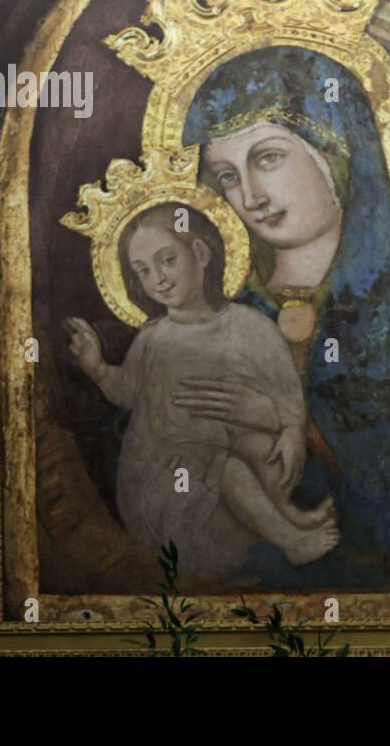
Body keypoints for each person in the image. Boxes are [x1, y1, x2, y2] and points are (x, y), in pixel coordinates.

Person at [180, 45, 390, 587]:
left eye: (268, 158)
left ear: (337, 153)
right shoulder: (218, 318)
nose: (248, 195)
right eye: (225, 175)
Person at [65, 201, 339, 579]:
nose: (158, 279)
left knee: (258, 449)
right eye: (142, 271)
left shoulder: (252, 328)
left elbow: (287, 395)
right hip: (167, 485)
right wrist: (97, 369)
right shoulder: (152, 339)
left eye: (167, 260)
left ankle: (291, 515)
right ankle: (291, 541)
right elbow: (127, 393)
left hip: (219, 467)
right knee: (228, 468)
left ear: (200, 253)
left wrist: (292, 431)